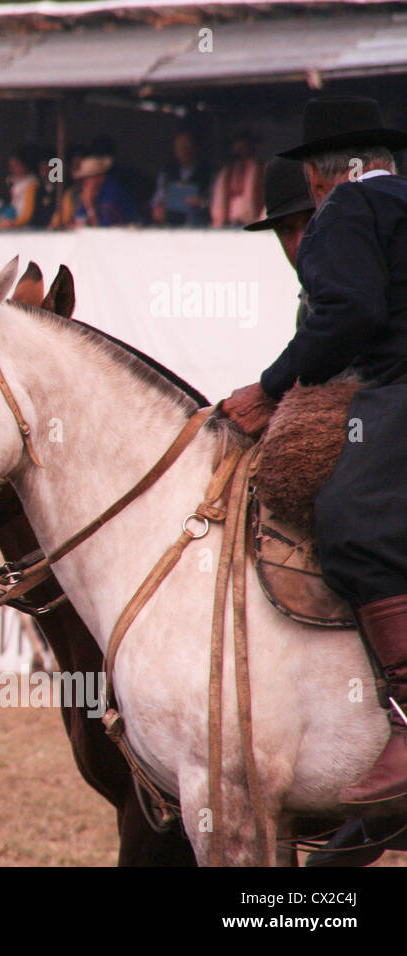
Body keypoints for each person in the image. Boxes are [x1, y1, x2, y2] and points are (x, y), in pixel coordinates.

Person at [221, 96, 407, 807]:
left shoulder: (346, 213)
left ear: (321, 180)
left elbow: (350, 312)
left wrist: (271, 388)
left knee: (351, 515)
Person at [242, 157, 315, 326]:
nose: (300, 243)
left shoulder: (371, 289)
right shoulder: (308, 303)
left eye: (311, 222)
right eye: (287, 230)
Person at [151, 128, 214, 227]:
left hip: (198, 223)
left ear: (195, 148)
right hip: (171, 223)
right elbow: (159, 197)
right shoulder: (167, 172)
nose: (183, 150)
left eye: (186, 146)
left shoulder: (208, 172)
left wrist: (201, 201)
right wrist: (158, 206)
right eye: (179, 146)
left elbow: (213, 199)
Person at [61, 156, 139, 227]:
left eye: (88, 177)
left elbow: (101, 229)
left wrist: (89, 204)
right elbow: (78, 221)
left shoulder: (113, 191)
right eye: (83, 178)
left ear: (100, 176)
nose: (85, 182)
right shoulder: (92, 192)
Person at [212, 130, 265, 228]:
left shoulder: (263, 169)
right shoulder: (227, 172)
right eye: (238, 147)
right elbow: (219, 203)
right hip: (230, 225)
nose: (240, 150)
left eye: (244, 147)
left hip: (255, 224)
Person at [0, 146, 40, 231]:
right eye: (11, 167)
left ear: (24, 165)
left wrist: (13, 223)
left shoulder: (31, 182)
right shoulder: (10, 180)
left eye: (16, 166)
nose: (12, 170)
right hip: (7, 216)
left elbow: (27, 213)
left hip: (20, 222)